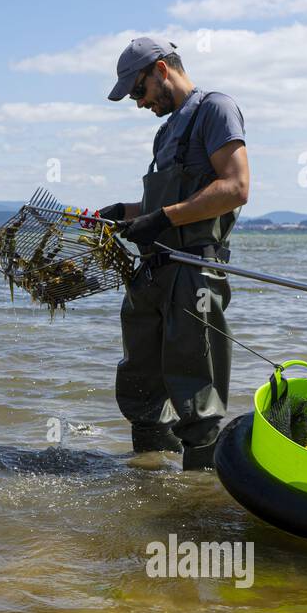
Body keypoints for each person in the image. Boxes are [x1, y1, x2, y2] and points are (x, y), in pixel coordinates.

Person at [98, 37, 249, 470]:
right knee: (140, 384)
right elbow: (170, 200)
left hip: (194, 271)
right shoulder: (166, 130)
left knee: (195, 393)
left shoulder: (216, 109)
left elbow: (236, 187)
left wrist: (162, 218)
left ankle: (197, 499)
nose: (137, 102)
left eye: (138, 90)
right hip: (153, 273)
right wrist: (128, 212)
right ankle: (149, 482)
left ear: (161, 71)